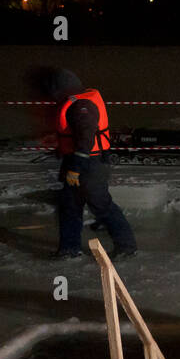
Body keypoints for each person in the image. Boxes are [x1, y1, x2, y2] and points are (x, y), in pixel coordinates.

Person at [50, 69, 137, 259]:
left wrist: (75, 168)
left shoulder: (82, 105)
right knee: (70, 206)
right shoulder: (75, 101)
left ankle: (126, 246)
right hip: (78, 161)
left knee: (101, 205)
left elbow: (86, 140)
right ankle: (70, 248)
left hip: (90, 164)